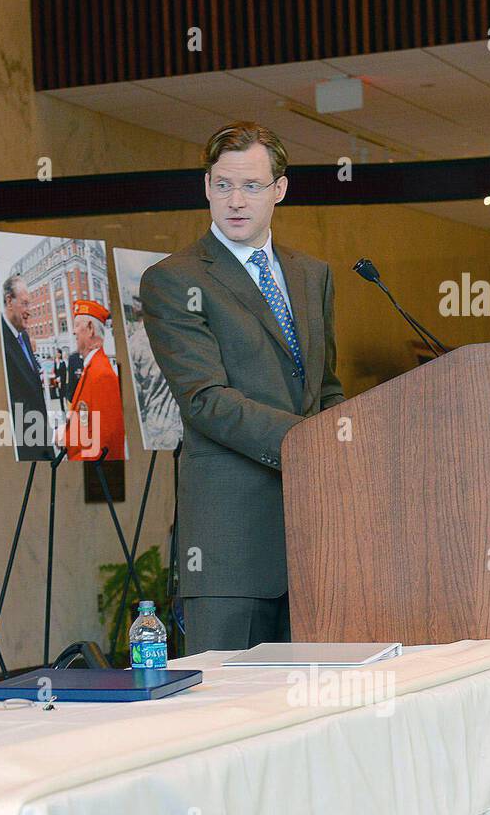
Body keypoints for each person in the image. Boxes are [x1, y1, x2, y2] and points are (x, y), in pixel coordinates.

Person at [141, 122, 344, 651]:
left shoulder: (312, 274)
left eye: (251, 186)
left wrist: (351, 440)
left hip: (318, 536)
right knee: (233, 715)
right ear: (206, 186)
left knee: (316, 711)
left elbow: (324, 388)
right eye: (223, 184)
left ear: (279, 189)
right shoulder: (174, 279)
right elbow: (205, 400)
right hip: (229, 544)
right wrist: (311, 445)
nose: (235, 200)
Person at [56, 300, 125, 461]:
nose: (73, 332)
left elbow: (104, 446)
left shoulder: (102, 375)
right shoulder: (93, 368)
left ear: (90, 329)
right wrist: (64, 437)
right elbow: (87, 425)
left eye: (77, 325)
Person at [0, 274, 51, 459]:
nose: (30, 311)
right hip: (24, 445)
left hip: (40, 436)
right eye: (25, 303)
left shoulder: (25, 336)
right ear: (9, 301)